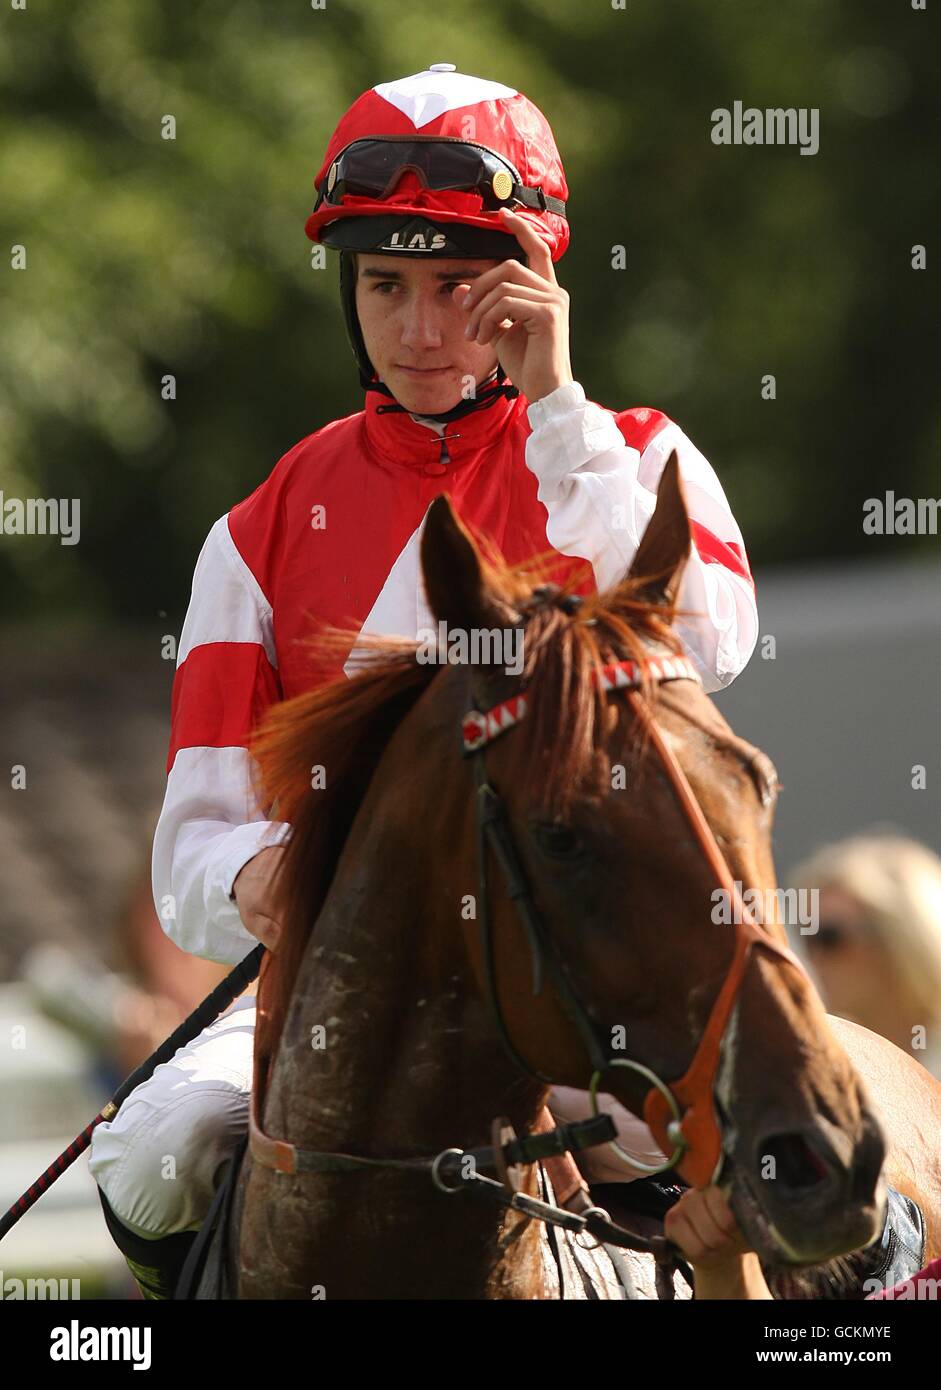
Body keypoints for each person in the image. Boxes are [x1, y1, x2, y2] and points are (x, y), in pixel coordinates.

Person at [87, 63, 760, 1298]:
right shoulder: (255, 530)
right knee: (152, 1150)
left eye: (458, 287)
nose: (419, 330)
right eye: (384, 287)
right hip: (338, 1010)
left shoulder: (633, 457)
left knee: (769, 1155)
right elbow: (188, 855)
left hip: (595, 996)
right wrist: (275, 874)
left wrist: (558, 411)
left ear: (533, 284)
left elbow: (707, 643)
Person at [790, 833, 941, 1079]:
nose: (810, 958)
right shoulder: (818, 1076)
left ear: (899, 942)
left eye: (829, 937)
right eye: (804, 938)